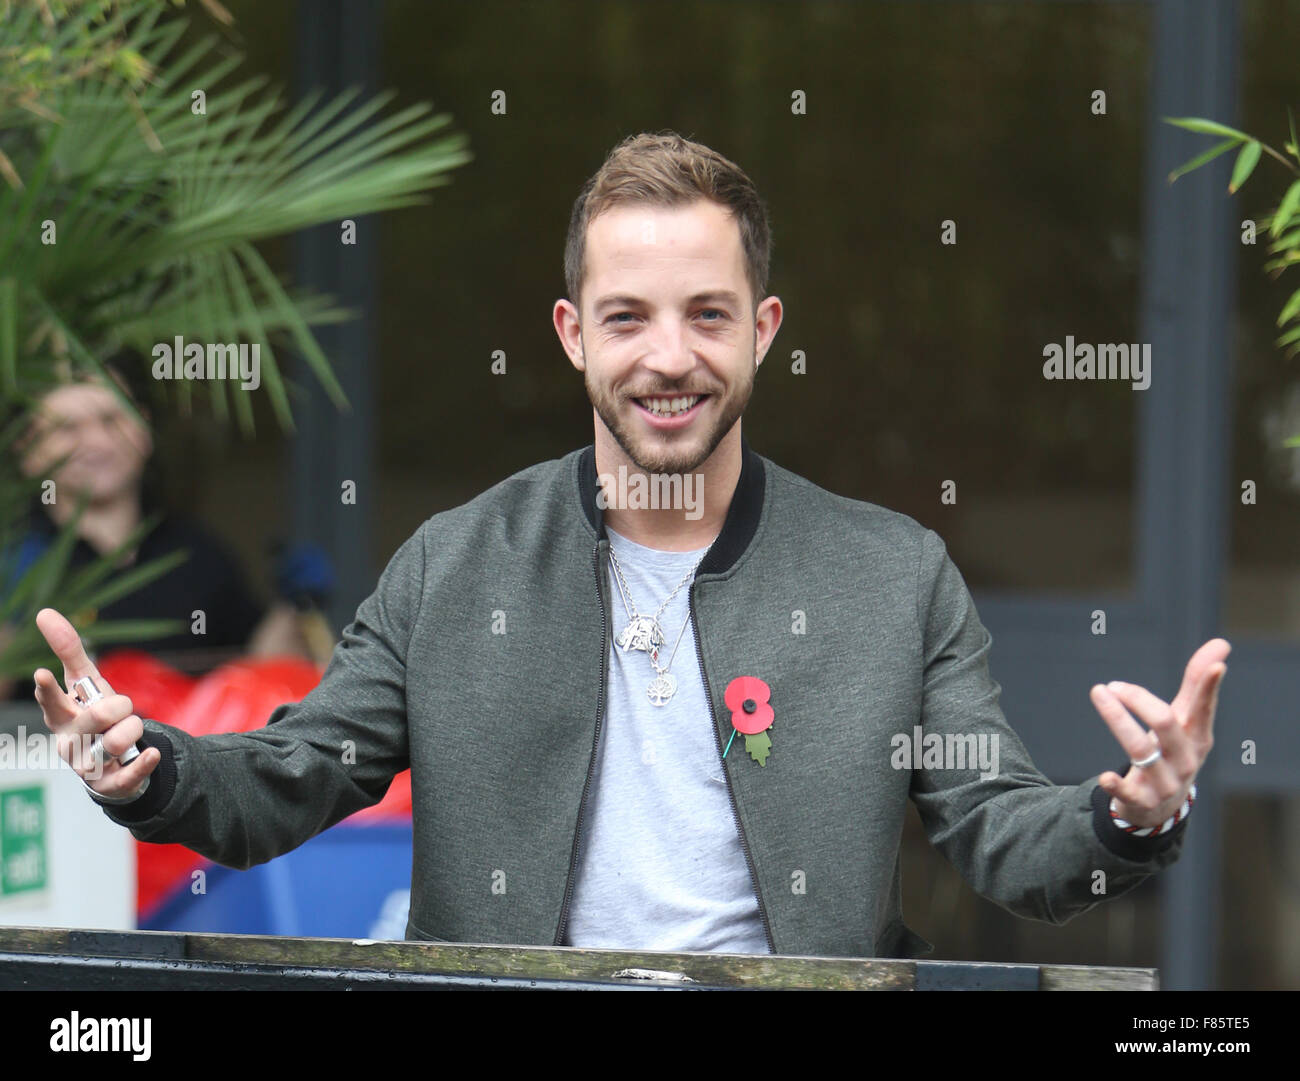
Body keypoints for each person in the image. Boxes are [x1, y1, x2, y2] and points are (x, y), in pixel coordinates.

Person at [30, 132, 1228, 958]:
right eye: (627, 317)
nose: (668, 357)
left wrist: (1128, 816)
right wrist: (154, 767)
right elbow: (288, 780)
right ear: (571, 335)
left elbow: (1003, 831)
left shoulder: (890, 573)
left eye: (707, 313)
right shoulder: (454, 564)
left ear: (761, 328)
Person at [1, 366, 317, 702]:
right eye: (68, 428)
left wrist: (294, 607)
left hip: (181, 752)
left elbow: (263, 677)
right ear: (28, 448)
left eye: (112, 420)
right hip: (47, 752)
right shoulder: (15, 561)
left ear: (143, 429)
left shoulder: (198, 554)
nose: (97, 441)